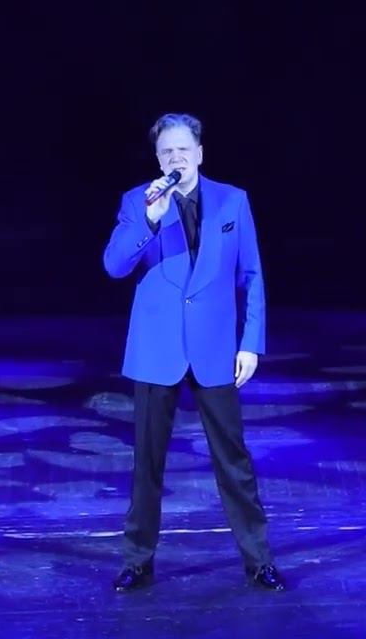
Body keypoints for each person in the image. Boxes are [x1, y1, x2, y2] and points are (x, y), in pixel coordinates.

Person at [102, 112, 285, 591]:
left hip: (215, 346)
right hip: (157, 349)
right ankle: (137, 561)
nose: (175, 158)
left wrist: (250, 343)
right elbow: (114, 265)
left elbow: (251, 276)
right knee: (147, 463)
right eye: (166, 151)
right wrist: (150, 218)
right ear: (157, 158)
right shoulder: (139, 201)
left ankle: (259, 560)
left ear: (200, 153)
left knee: (233, 460)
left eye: (183, 149)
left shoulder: (232, 200)